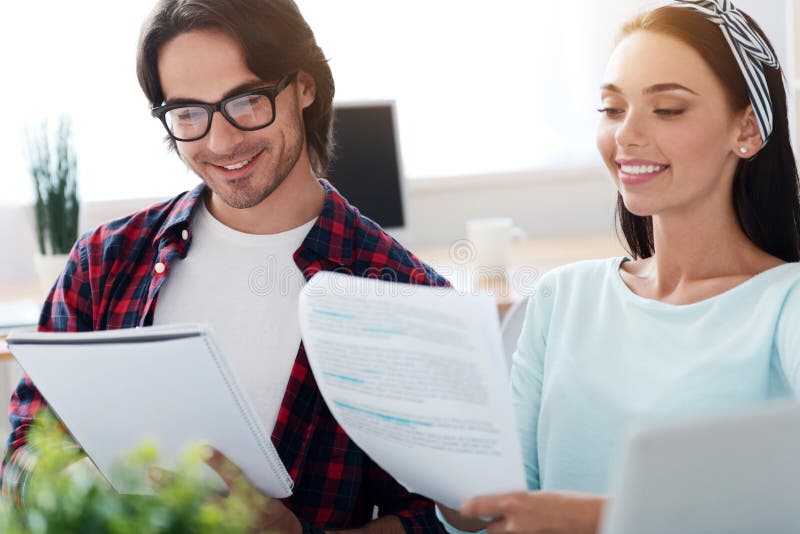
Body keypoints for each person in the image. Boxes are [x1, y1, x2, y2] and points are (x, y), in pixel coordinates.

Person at [1, 1, 448, 532]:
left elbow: (438, 517)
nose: (220, 142)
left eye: (247, 101)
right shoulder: (103, 261)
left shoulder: (405, 293)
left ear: (304, 86)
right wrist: (94, 488)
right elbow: (25, 450)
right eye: (188, 113)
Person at [440, 1, 800, 533]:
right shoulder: (562, 296)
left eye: (667, 109)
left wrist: (595, 520)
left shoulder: (785, 305)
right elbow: (494, 508)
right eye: (612, 109)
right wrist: (449, 480)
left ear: (746, 129)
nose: (625, 135)